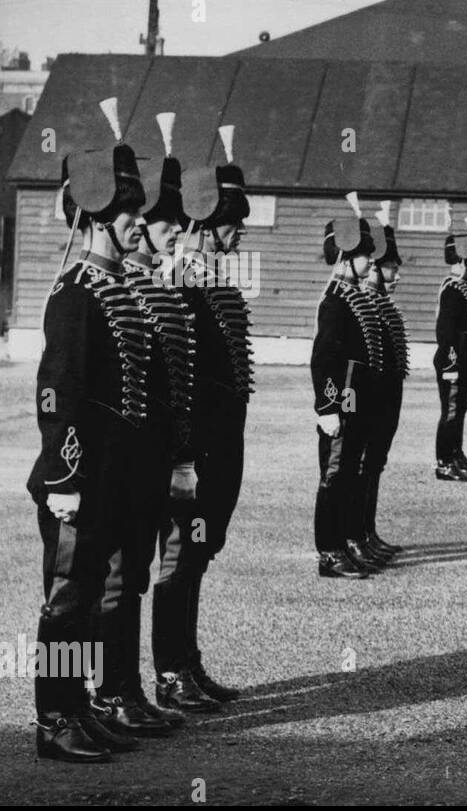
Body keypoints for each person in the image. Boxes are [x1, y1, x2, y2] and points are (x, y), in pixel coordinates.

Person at [30, 118, 151, 761]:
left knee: (89, 597)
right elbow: (58, 396)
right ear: (101, 218)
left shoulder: (113, 289)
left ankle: (78, 705)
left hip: (108, 479)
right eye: (128, 211)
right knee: (67, 600)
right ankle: (54, 720)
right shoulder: (77, 296)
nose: (139, 221)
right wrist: (65, 480)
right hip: (75, 482)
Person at [154, 125, 252, 712]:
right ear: (202, 226)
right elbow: (180, 384)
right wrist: (184, 457)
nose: (236, 232)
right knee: (180, 557)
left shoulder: (214, 282)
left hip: (221, 450)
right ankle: (170, 672)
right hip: (197, 455)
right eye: (228, 223)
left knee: (197, 555)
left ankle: (186, 662)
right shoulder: (185, 285)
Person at [107, 112, 196, 735]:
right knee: (90, 593)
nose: (161, 231)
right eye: (161, 223)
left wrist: (178, 459)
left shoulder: (153, 291)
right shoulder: (97, 294)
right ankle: (81, 702)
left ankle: (124, 690)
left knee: (128, 580)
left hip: (146, 464)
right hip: (101, 471)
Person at [312, 196, 384, 578]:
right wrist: (327, 409)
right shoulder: (335, 303)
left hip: (354, 401)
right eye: (363, 256)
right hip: (339, 402)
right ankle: (328, 550)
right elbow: (323, 360)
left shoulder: (352, 299)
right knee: (334, 476)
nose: (370, 262)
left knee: (350, 473)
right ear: (345, 259)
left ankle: (342, 542)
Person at [357, 201, 408, 559]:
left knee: (374, 466)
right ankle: (356, 534)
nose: (398, 274)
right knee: (362, 469)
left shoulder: (381, 302)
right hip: (371, 402)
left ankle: (367, 532)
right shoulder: (364, 303)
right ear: (375, 267)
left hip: (386, 400)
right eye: (392, 267)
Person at [435, 216, 467, 480]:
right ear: (462, 263)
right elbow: (447, 334)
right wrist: (452, 365)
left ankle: (456, 454)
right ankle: (444, 461)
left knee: (461, 410)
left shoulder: (465, 288)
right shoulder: (452, 290)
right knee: (452, 412)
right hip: (453, 362)